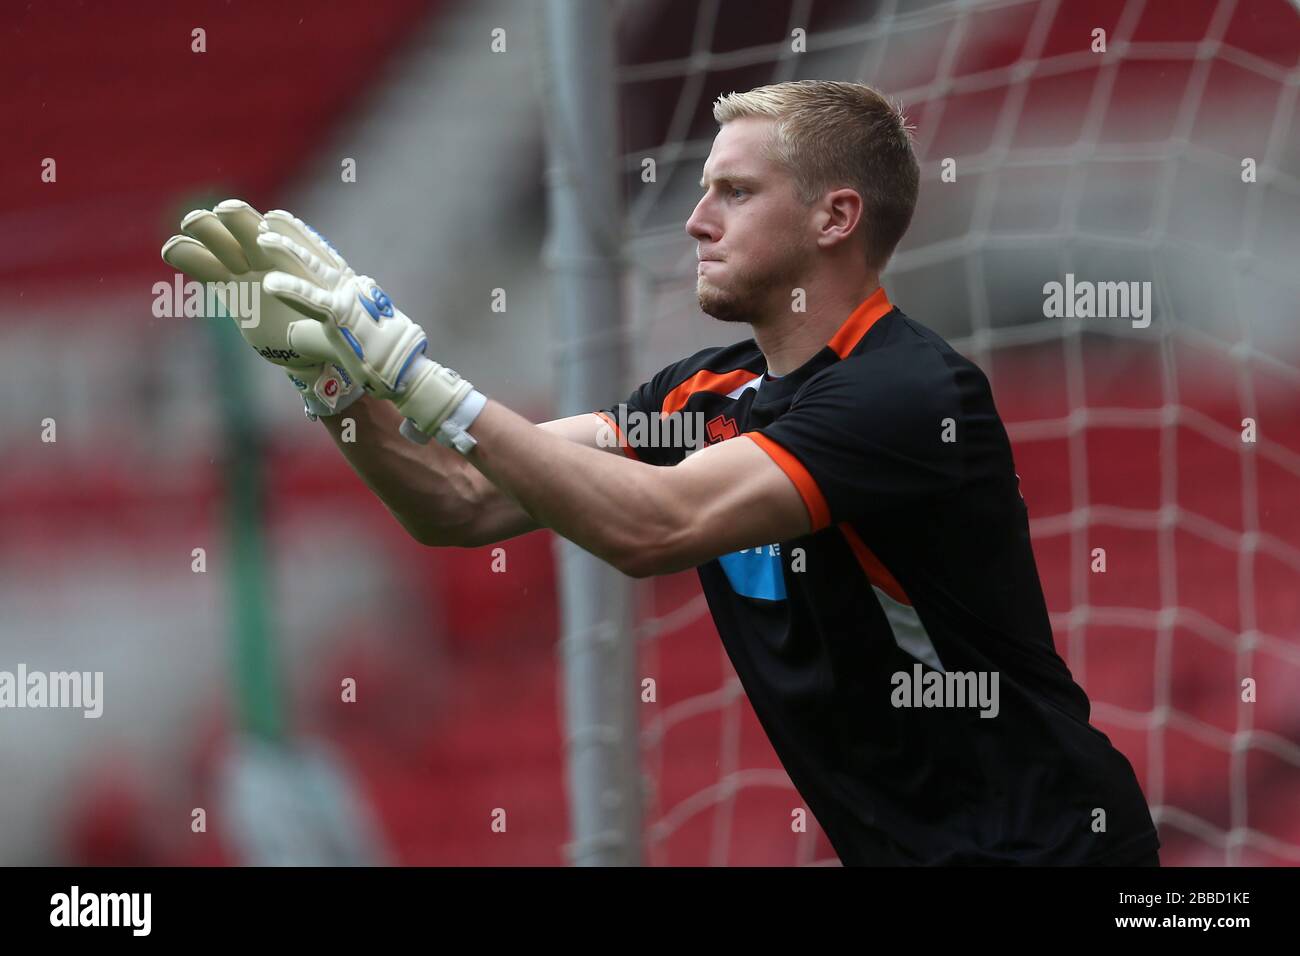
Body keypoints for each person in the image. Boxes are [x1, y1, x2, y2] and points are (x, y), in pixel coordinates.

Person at [164, 79, 1160, 866]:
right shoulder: (698, 393)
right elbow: (462, 500)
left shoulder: (906, 394)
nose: (696, 219)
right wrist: (339, 385)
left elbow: (656, 527)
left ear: (834, 217)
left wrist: (416, 373)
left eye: (734, 190)